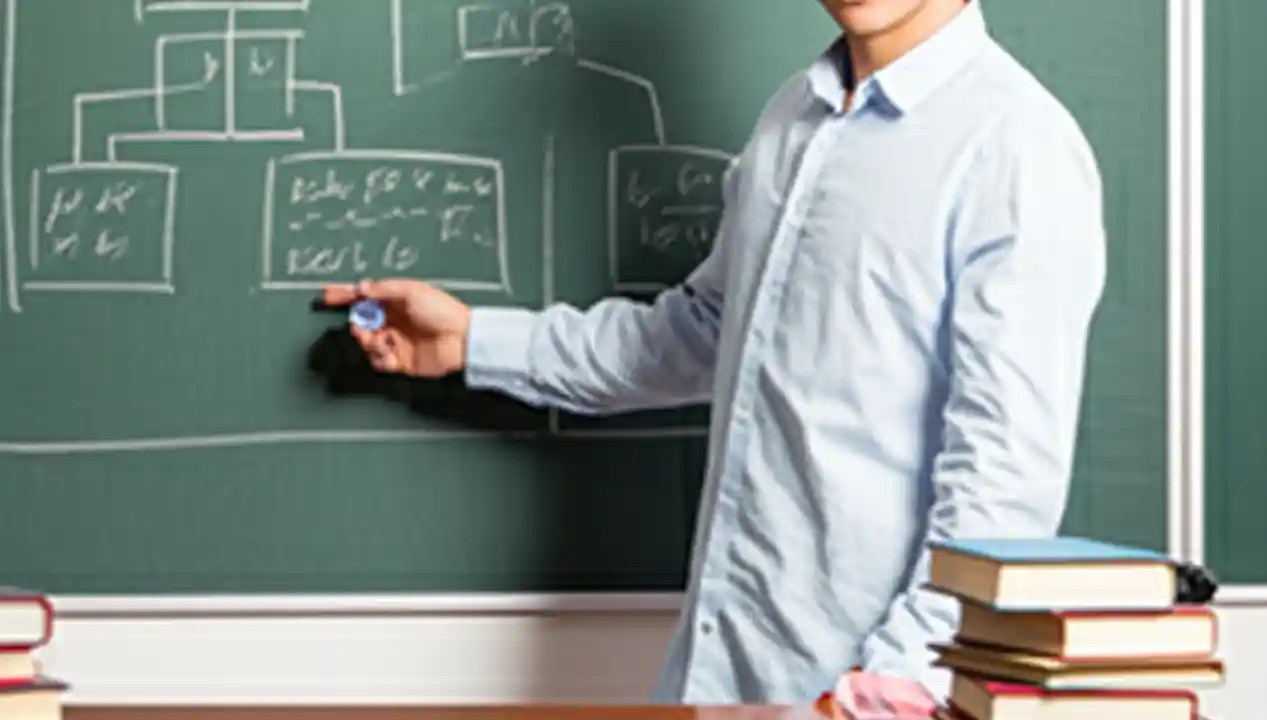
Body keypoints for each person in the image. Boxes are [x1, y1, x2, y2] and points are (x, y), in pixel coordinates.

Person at [321, 0, 1106, 713]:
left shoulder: (1016, 147)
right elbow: (704, 332)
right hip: (723, 669)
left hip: (864, 690)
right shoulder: (792, 120)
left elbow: (1006, 482)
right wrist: (474, 342)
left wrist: (892, 686)